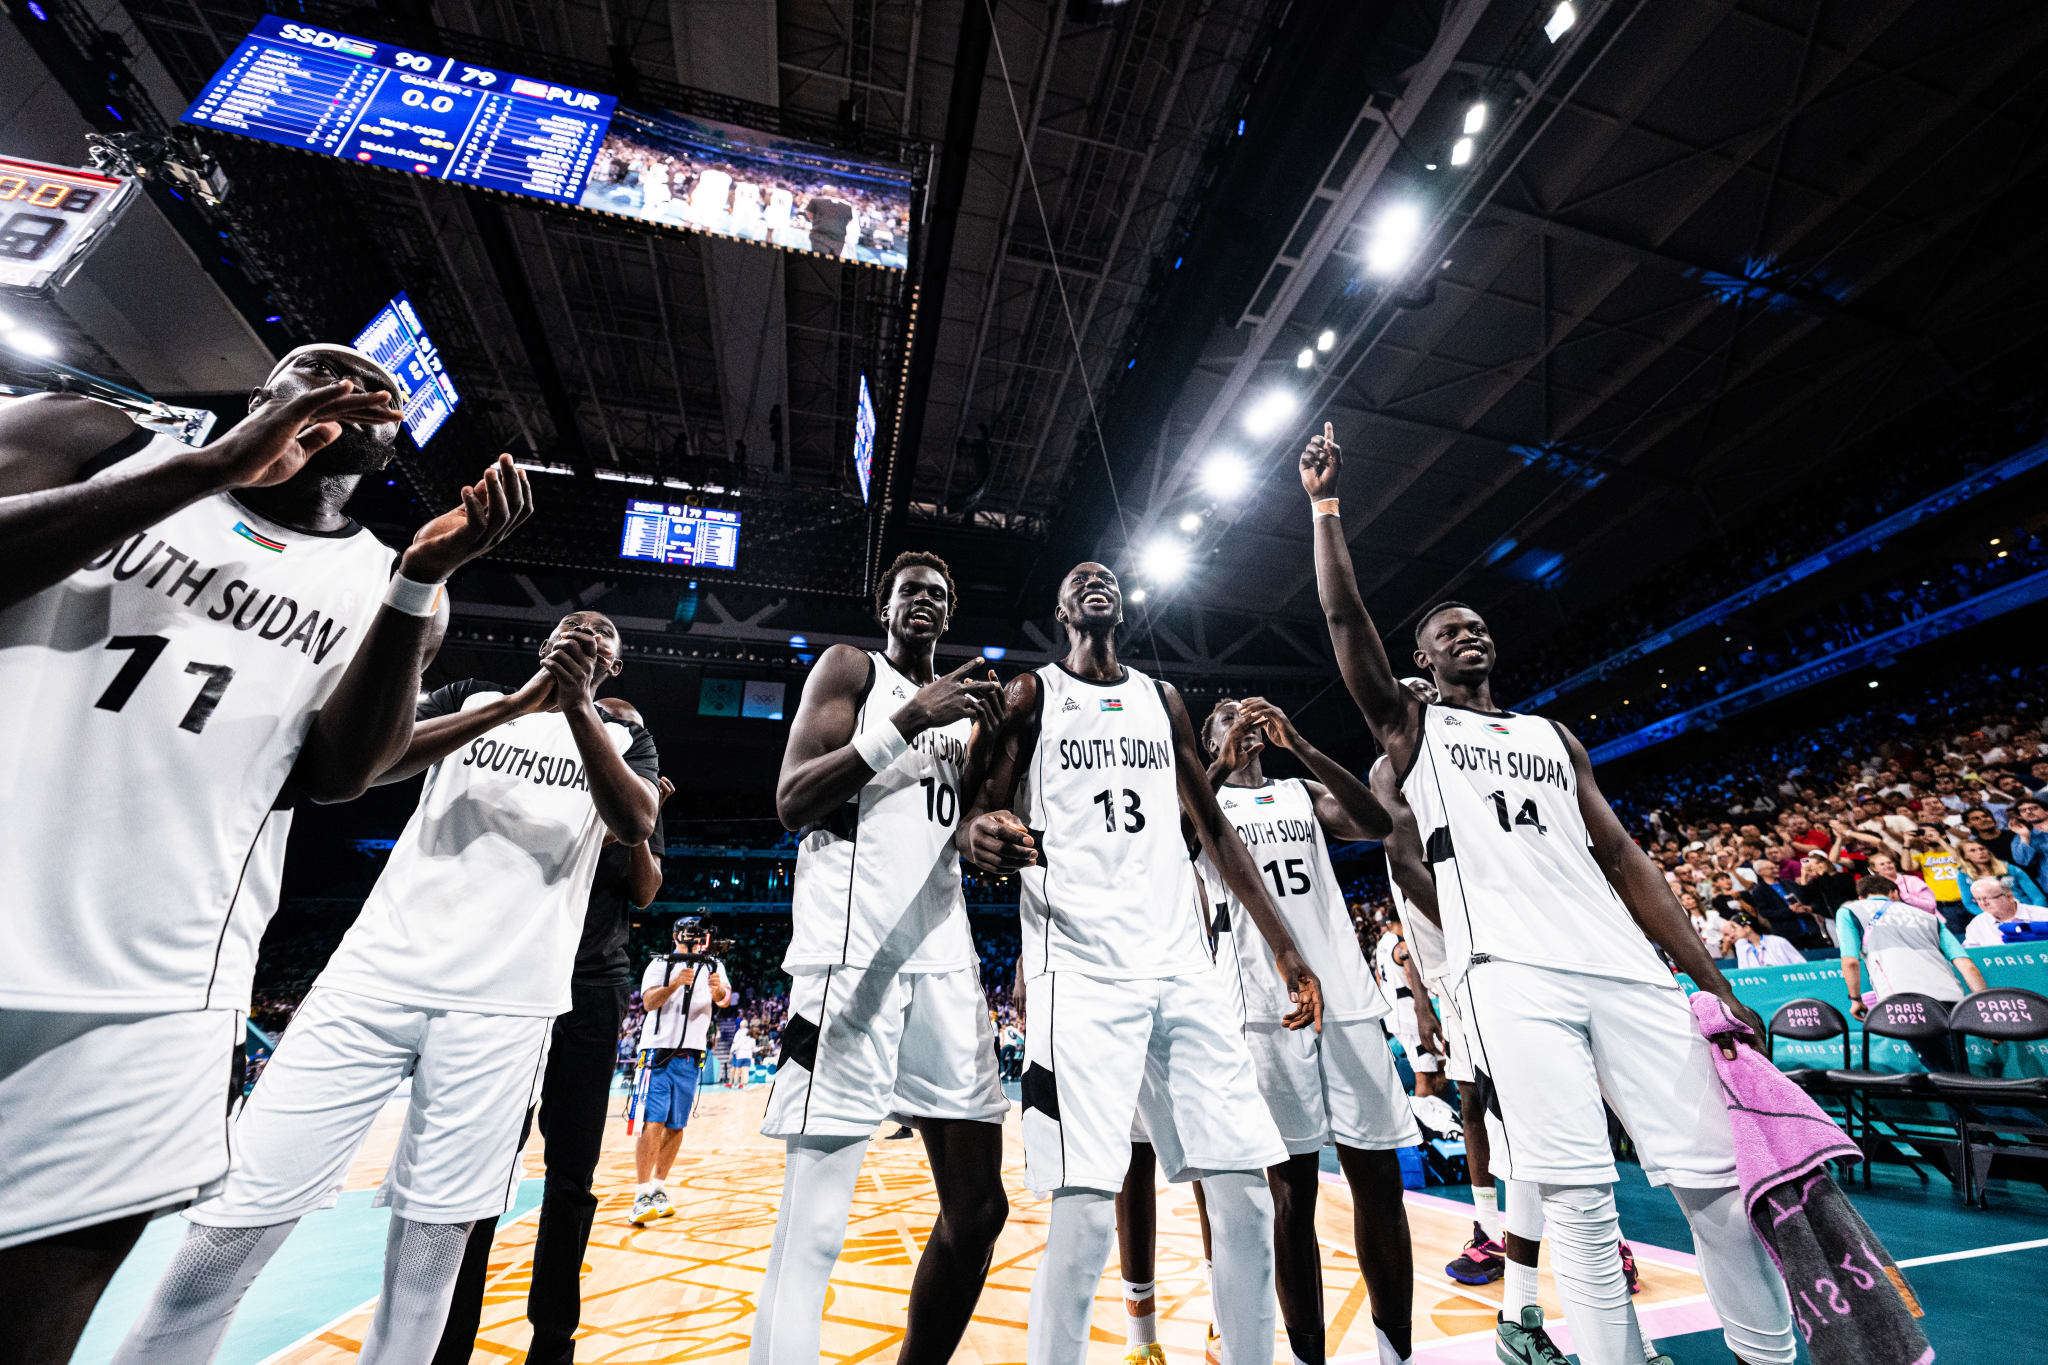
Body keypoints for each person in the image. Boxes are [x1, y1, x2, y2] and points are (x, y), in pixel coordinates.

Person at [0, 346, 529, 1363]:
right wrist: (210, 468)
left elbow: (337, 774)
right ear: (264, 393)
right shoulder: (85, 438)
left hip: (153, 1001)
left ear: (390, 445)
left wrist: (421, 579)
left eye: (380, 392)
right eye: (319, 366)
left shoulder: (387, 581)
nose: (352, 384)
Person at [1300, 422, 1794, 1365]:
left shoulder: (1554, 734)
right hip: (1513, 976)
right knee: (1577, 1195)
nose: (1468, 632)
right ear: (1426, 660)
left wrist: (1708, 977)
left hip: (1623, 967)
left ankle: (1767, 1355)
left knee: (1717, 1185)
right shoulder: (1411, 731)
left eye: (1477, 623)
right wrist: (1326, 508)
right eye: (1447, 631)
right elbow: (1344, 624)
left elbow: (1625, 857)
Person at [112, 612, 659, 1365]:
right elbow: (375, 761)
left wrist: (573, 708)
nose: (588, 634)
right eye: (576, 626)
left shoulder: (626, 738)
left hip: (505, 1008)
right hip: (372, 980)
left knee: (431, 1256)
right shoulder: (474, 694)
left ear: (616, 667)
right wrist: (512, 705)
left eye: (605, 636)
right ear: (545, 643)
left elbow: (634, 823)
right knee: (230, 1226)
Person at [957, 560, 1322, 1365]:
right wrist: (980, 835)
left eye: (1107, 577)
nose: (1097, 582)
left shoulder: (1162, 699)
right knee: (1085, 1215)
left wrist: (1286, 945)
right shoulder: (1032, 694)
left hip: (1182, 966)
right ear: (1059, 607)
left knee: (1247, 1197)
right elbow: (975, 813)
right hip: (1080, 970)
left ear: (1121, 606)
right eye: (1080, 577)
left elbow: (1216, 830)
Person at [749, 551, 1011, 1365]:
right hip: (849, 960)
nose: (924, 601)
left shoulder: (968, 721)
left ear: (952, 606)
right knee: (818, 1221)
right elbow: (794, 800)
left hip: (943, 960)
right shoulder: (851, 669)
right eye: (910, 592)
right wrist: (908, 718)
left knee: (979, 1209)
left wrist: (983, 835)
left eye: (938, 591)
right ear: (884, 605)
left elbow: (944, 829)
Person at [1197, 694, 1425, 1365]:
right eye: (1224, 716)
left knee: (1379, 1182)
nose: (1241, 720)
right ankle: (1306, 1357)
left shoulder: (1299, 790)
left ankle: (1396, 1353)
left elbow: (1374, 820)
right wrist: (1215, 761)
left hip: (1347, 998)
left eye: (1249, 714)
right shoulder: (1206, 798)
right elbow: (1180, 830)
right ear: (1211, 737)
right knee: (1291, 1194)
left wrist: (1300, 742)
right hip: (1266, 1009)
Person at [435, 758, 673, 1365]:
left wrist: (640, 832)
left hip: (593, 987)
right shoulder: (543, 772)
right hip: (512, 981)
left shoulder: (638, 792)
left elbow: (645, 892)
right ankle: (449, 1335)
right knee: (481, 1168)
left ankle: (552, 1342)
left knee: (572, 1177)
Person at [629, 918, 730, 1224]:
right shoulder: (661, 964)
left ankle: (659, 1188)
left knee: (676, 1125)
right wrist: (674, 984)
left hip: (691, 1055)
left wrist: (717, 992)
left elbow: (723, 999)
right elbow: (648, 1002)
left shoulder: (714, 965)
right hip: (658, 1053)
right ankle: (641, 1194)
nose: (694, 942)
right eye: (689, 936)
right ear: (675, 936)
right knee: (653, 1122)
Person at [1837, 875, 1988, 1019]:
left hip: (1903, 1000)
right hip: (1951, 997)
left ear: (1861, 898)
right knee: (1955, 1046)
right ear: (1895, 893)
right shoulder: (1928, 917)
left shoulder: (1851, 911)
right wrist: (1986, 1010)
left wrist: (1855, 999)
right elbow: (1967, 966)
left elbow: (1850, 961)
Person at [1955, 839, 2047, 918]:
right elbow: (1969, 903)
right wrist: (1992, 916)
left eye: (1982, 848)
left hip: (2025, 910)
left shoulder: (2009, 869)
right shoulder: (1964, 876)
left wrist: (2037, 914)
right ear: (1965, 856)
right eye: (1973, 850)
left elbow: (2037, 896)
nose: (1980, 852)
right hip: (1993, 917)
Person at [1962, 878, 2048, 947]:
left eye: (1987, 898)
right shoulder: (1976, 925)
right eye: (1978, 899)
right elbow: (1972, 955)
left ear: (2009, 897)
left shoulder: (2043, 915)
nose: (1983, 903)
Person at [1723, 913, 1805, 969]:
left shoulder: (1777, 941)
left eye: (1734, 927)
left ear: (1747, 928)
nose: (1732, 933)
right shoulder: (1742, 948)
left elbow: (1801, 964)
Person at [730, 1021, 759, 1085]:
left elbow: (735, 1044)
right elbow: (754, 1049)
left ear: (740, 1026)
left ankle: (734, 1083)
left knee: (737, 1070)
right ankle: (743, 1084)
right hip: (748, 1056)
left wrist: (731, 1052)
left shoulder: (739, 1034)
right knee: (745, 1071)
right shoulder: (752, 1039)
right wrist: (760, 1048)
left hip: (739, 1055)